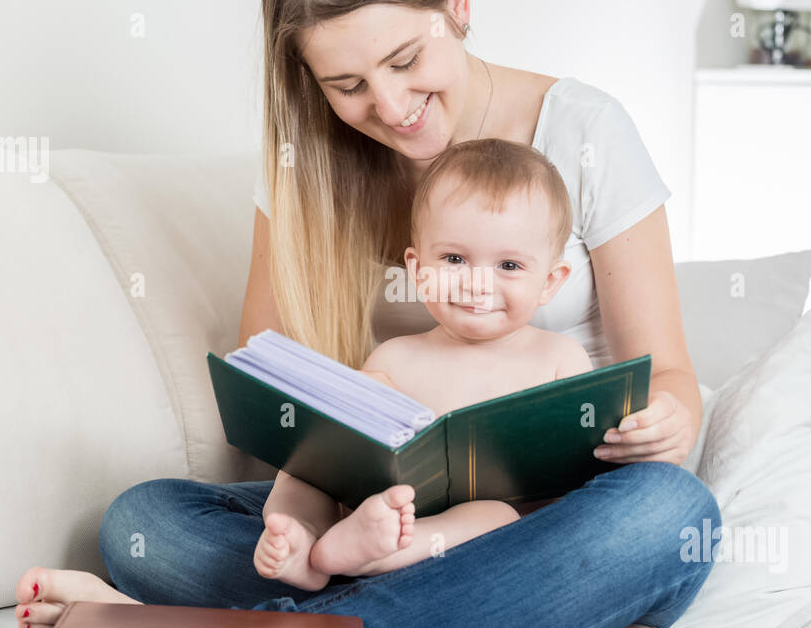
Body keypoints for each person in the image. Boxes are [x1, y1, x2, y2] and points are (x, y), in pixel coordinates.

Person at [15, 0, 721, 628]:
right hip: (373, 520)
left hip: (549, 526)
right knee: (144, 521)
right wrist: (342, 490)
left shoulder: (585, 131)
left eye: (404, 61)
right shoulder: (308, 165)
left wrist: (665, 421)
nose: (389, 107)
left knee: (671, 514)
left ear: (453, 3)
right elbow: (276, 395)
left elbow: (669, 378)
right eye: (347, 84)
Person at [253, 138, 594, 589]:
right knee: (301, 466)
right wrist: (345, 412)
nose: (476, 284)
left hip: (478, 550)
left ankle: (374, 557)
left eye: (509, 265)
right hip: (381, 507)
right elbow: (347, 455)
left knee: (495, 514)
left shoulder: (559, 359)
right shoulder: (395, 356)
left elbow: (584, 485)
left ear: (550, 282)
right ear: (417, 269)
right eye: (454, 259)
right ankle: (301, 541)